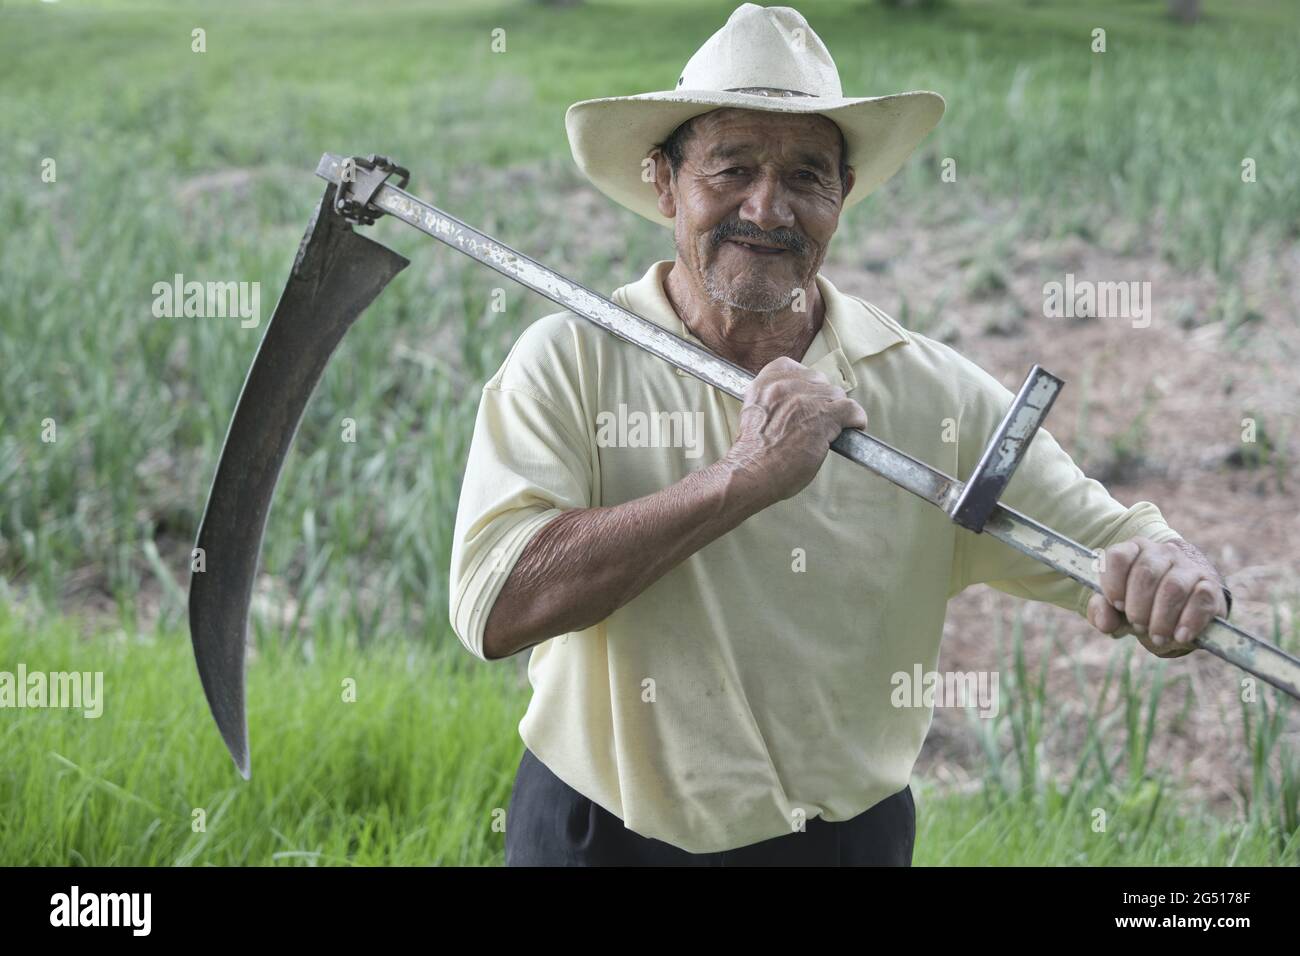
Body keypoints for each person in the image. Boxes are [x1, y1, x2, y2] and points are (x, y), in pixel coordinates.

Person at [449, 3, 1231, 866]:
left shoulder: (931, 394)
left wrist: (1175, 573)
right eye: (731, 169)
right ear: (664, 183)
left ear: (843, 195)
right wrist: (745, 478)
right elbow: (496, 606)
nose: (767, 208)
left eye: (807, 176)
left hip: (840, 843)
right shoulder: (570, 361)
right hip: (598, 835)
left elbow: (1118, 544)